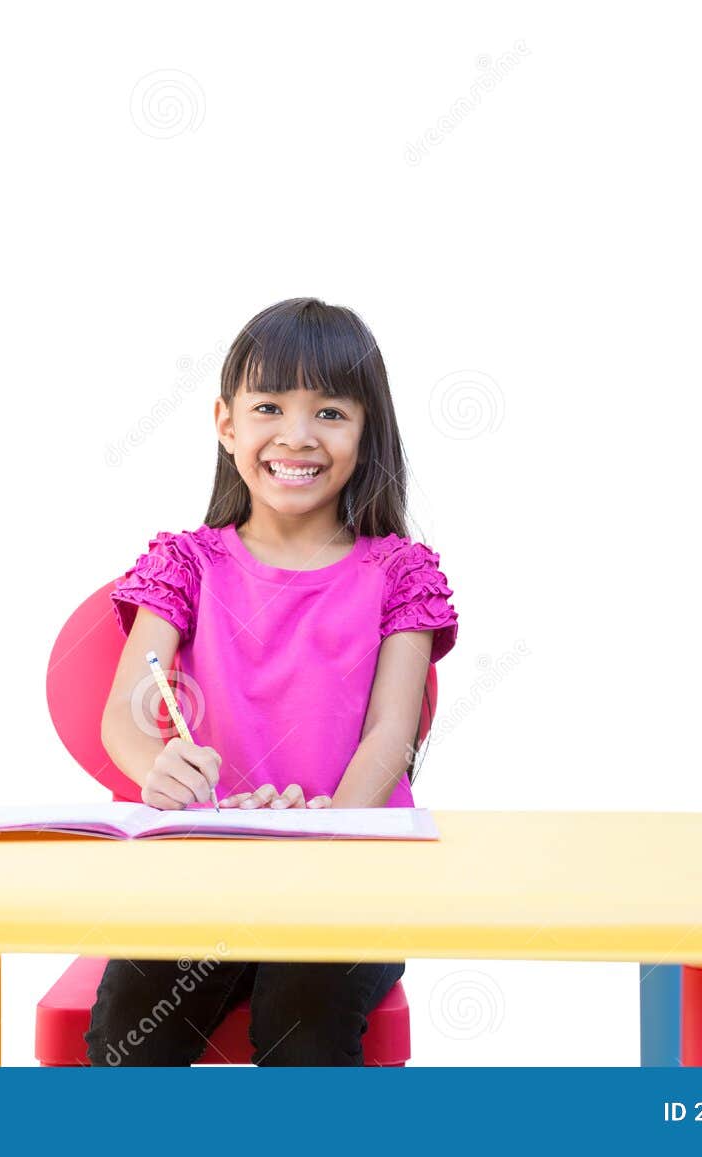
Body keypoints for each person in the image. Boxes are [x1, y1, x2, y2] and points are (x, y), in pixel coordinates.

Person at [86, 296, 459, 1066]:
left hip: (350, 873)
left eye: (329, 411)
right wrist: (155, 768)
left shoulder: (400, 572)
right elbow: (125, 714)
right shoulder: (187, 563)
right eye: (268, 406)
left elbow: (393, 729)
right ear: (226, 424)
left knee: (304, 1019)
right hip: (206, 876)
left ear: (367, 431)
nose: (296, 435)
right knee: (129, 1024)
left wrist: (330, 834)